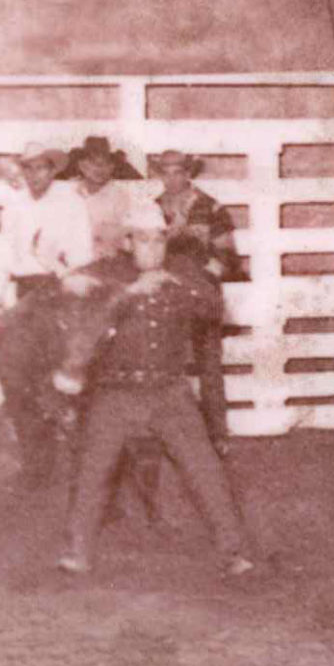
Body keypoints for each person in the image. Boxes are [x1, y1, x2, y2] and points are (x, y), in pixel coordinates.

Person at [52, 201, 256, 578]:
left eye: (160, 240)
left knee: (205, 469)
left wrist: (175, 285)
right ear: (128, 242)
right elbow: (71, 288)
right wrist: (128, 291)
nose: (154, 248)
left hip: (168, 392)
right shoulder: (107, 270)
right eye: (144, 240)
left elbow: (214, 308)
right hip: (116, 391)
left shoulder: (180, 272)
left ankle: (233, 552)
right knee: (93, 470)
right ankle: (77, 551)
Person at [0, 141, 95, 485]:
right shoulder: (14, 206)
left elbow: (82, 258)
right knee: (19, 381)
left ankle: (81, 466)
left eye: (41, 168)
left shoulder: (71, 205)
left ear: (53, 170)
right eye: (28, 168)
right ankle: (36, 465)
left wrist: (57, 265)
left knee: (64, 381)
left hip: (57, 293)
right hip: (23, 295)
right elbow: (4, 251)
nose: (35, 175)